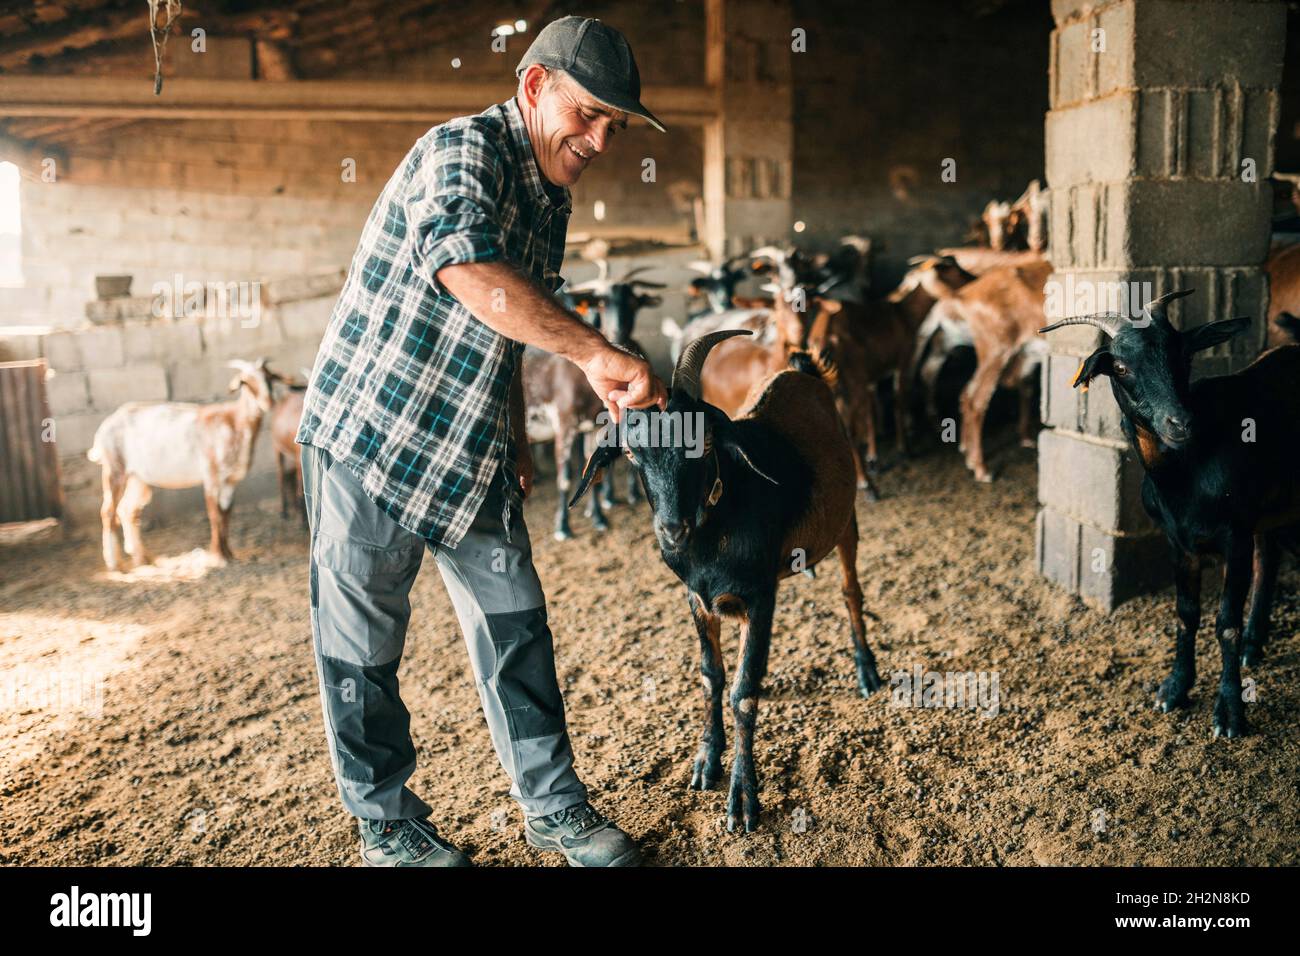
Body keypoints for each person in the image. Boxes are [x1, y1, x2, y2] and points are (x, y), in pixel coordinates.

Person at [296, 16, 668, 867]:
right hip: (370, 437)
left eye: (616, 125)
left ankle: (554, 807)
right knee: (362, 651)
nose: (602, 138)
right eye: (589, 115)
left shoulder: (552, 198)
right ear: (535, 87)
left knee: (517, 629)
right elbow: (469, 274)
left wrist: (517, 440)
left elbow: (504, 333)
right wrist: (594, 350)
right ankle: (386, 823)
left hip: (470, 448)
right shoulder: (456, 152)